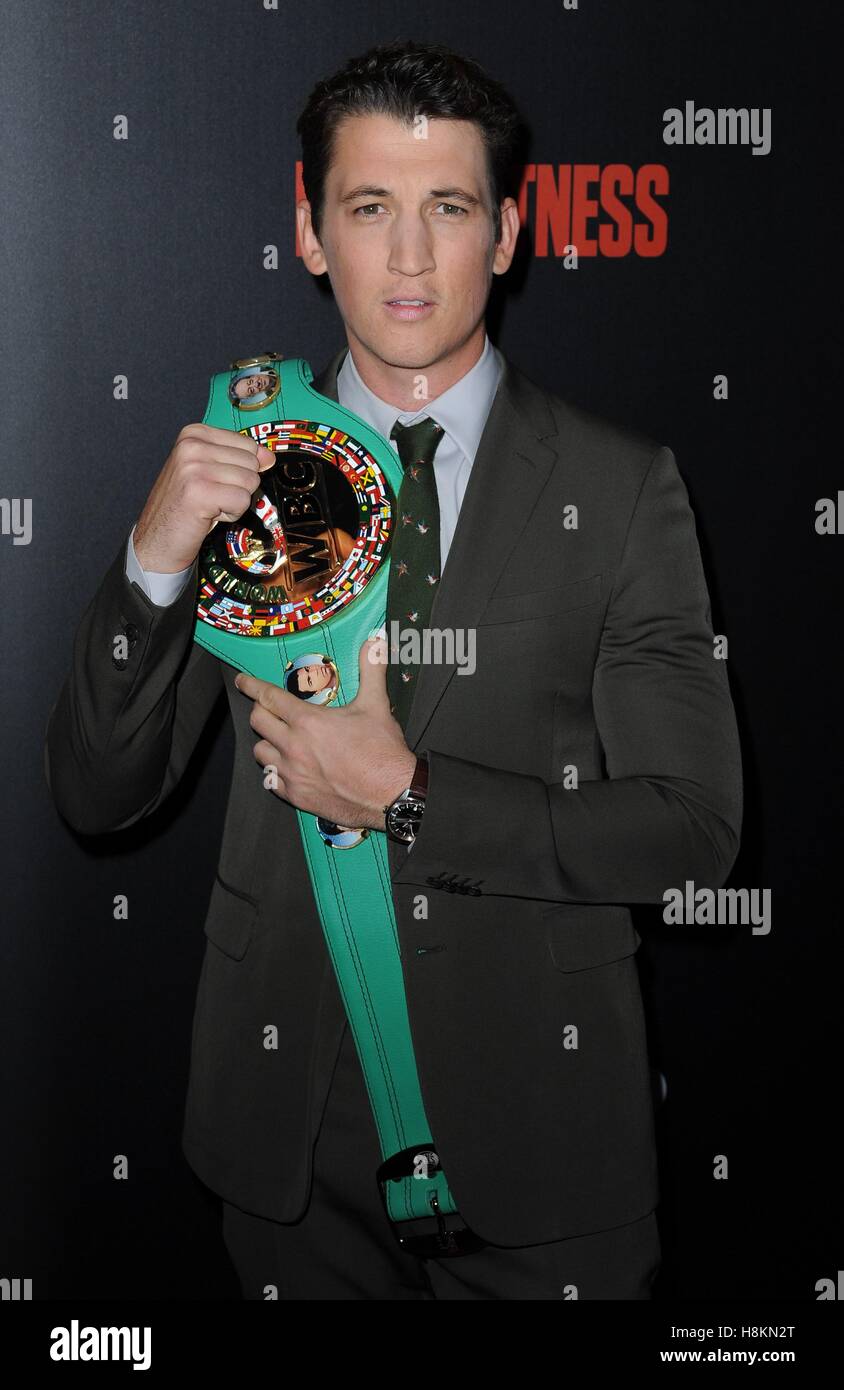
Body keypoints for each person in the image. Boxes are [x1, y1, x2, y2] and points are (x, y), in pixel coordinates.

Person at [44, 38, 742, 1300]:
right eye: (369, 209)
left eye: (448, 209)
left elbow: (692, 839)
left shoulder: (618, 486)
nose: (410, 258)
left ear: (510, 231)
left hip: (541, 1150)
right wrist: (153, 558)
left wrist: (409, 793)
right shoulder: (250, 469)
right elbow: (99, 796)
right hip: (288, 1152)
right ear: (309, 233)